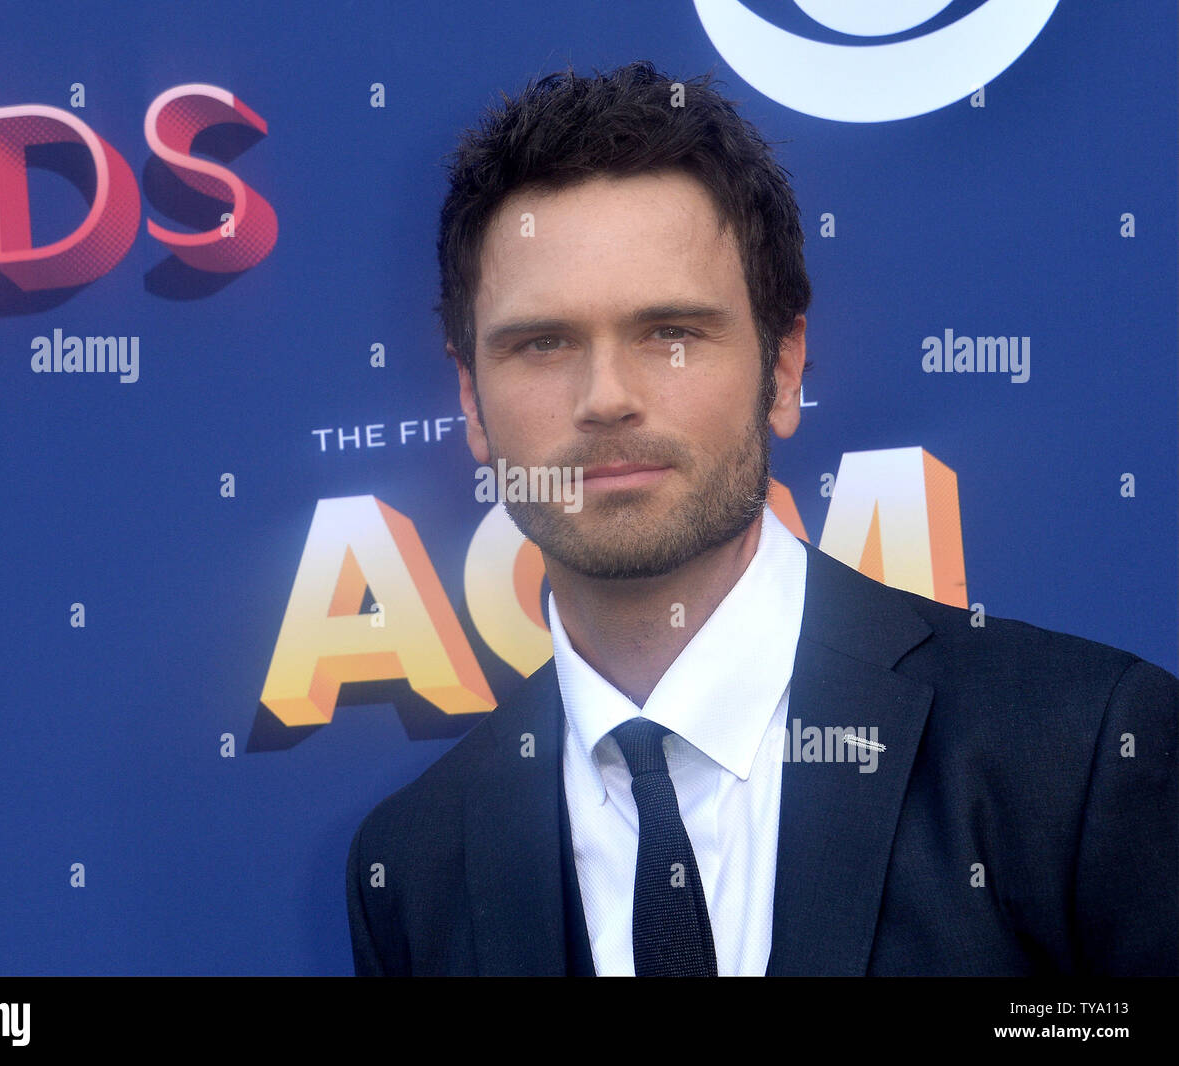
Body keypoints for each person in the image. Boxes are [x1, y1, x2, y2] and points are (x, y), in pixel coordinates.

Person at [345, 61, 1177, 976]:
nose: (607, 397)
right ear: (469, 400)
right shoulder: (416, 869)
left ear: (783, 369)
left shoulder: (1080, 754)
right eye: (541, 344)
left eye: (671, 333)